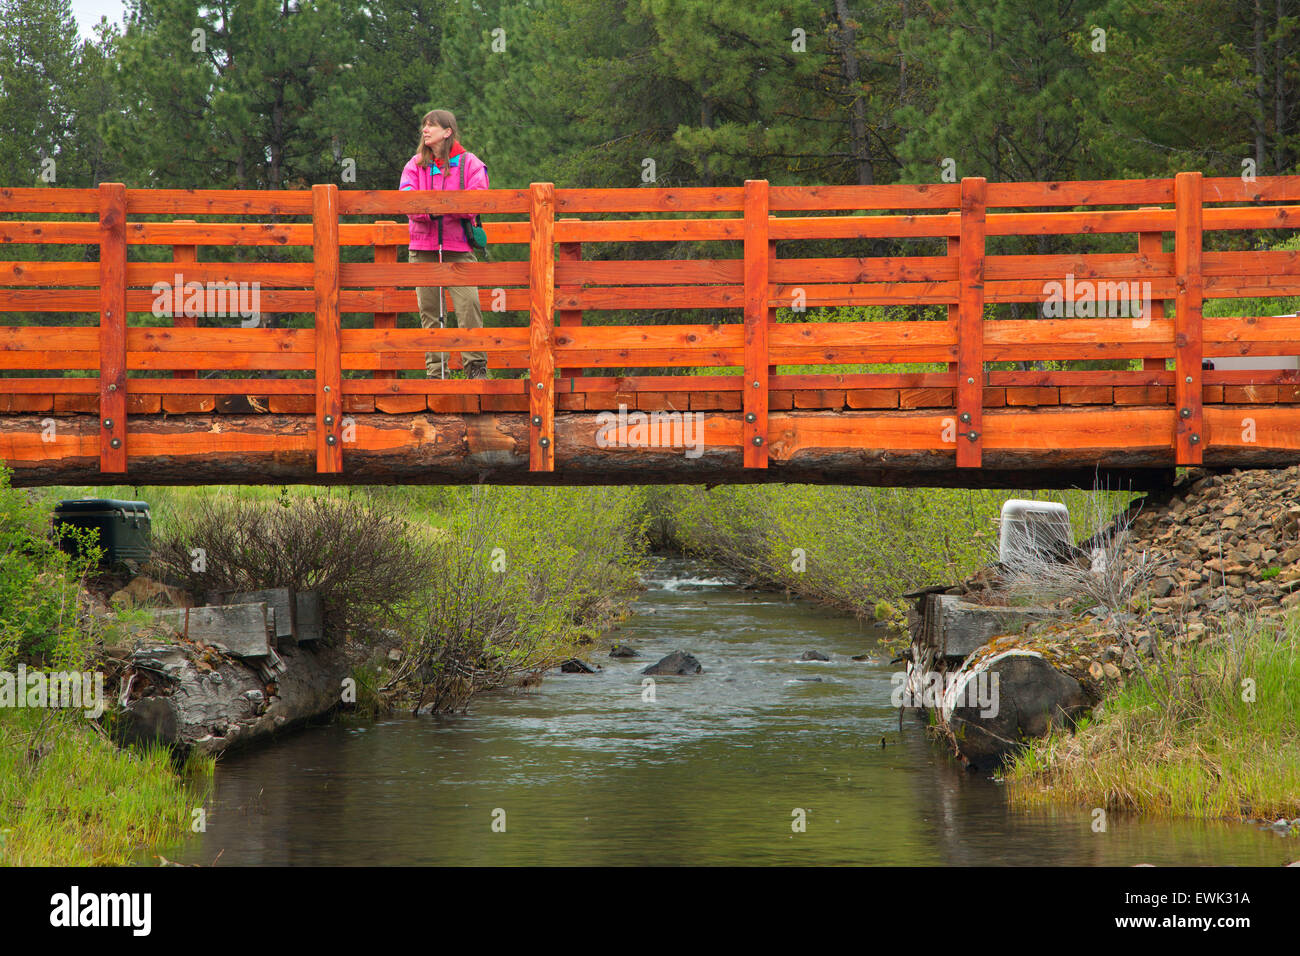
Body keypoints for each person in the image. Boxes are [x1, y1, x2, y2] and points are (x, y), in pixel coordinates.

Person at [399, 109, 488, 379]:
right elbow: (407, 201)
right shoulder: (415, 164)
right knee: (430, 312)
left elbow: (477, 200)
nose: (425, 130)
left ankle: (476, 368)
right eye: (424, 125)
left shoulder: (470, 162)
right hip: (423, 249)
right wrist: (434, 210)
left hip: (459, 247)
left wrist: (439, 206)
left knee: (468, 305)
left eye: (432, 125)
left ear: (447, 131)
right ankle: (437, 374)